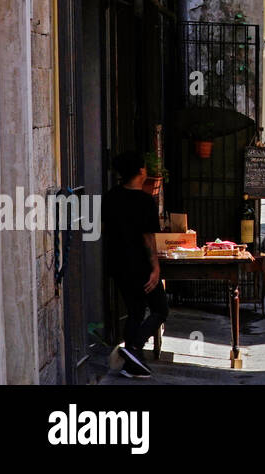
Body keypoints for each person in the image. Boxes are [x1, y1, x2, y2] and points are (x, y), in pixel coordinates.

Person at [103, 151, 167, 379]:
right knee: (160, 308)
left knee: (135, 311)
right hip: (139, 265)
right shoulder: (145, 201)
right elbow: (148, 238)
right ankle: (133, 348)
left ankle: (130, 364)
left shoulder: (110, 197)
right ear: (140, 171)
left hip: (117, 263)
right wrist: (155, 268)